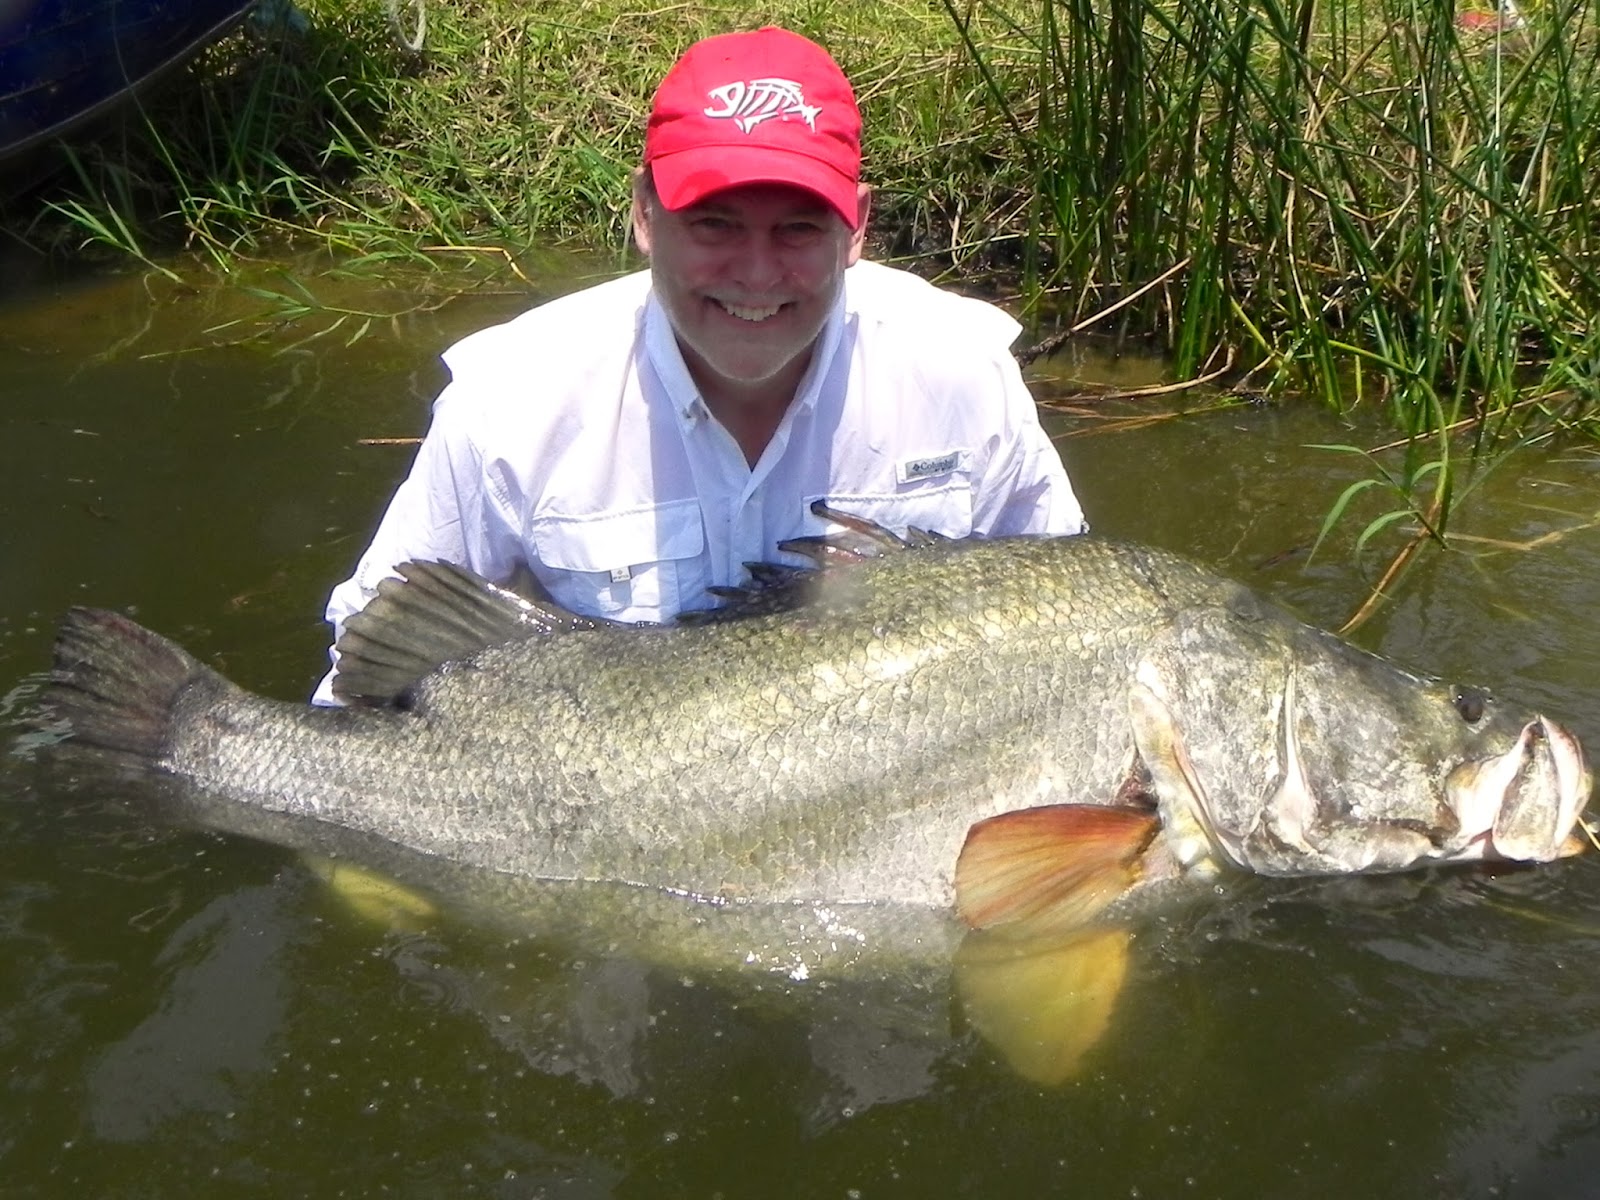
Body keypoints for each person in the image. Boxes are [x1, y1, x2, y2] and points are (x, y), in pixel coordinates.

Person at [312, 25, 1085, 704]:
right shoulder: (510, 398)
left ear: (856, 229)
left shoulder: (963, 375)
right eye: (714, 223)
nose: (755, 274)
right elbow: (373, 659)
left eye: (796, 230)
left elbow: (1072, 622)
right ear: (645, 215)